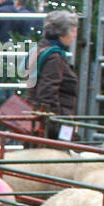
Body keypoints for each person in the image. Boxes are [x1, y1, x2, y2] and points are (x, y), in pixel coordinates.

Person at [24, 10, 80, 138]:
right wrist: (57, 128)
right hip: (53, 123)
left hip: (37, 119)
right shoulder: (53, 57)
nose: (75, 35)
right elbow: (47, 93)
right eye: (72, 30)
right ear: (61, 32)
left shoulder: (39, 50)